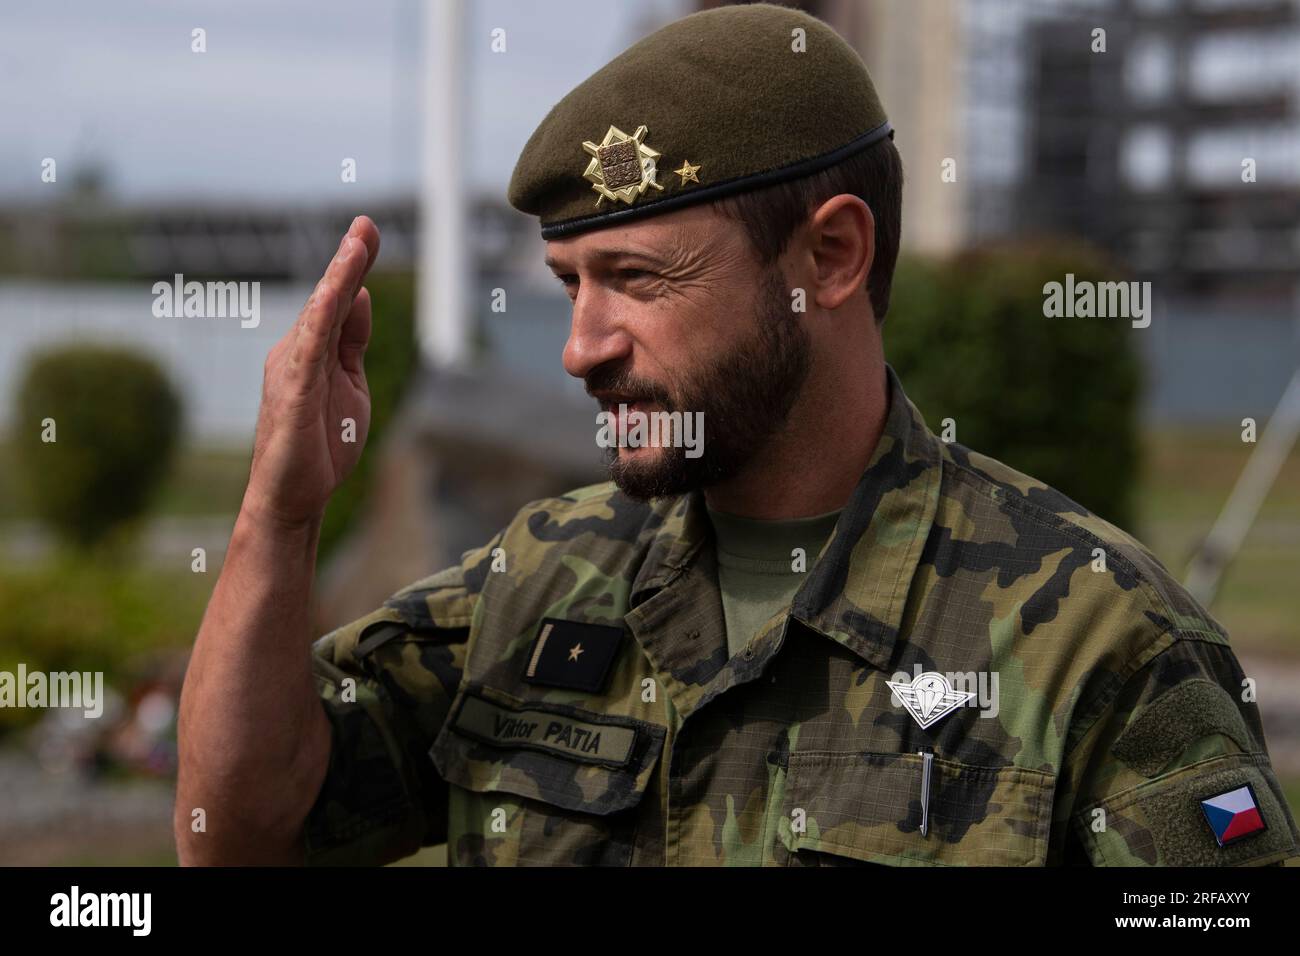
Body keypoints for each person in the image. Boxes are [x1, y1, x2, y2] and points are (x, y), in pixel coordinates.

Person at [175, 3, 1298, 866]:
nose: (580, 346)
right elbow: (233, 831)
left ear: (830, 257)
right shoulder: (537, 584)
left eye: (636, 279)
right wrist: (280, 515)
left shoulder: (1096, 638)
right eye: (568, 282)